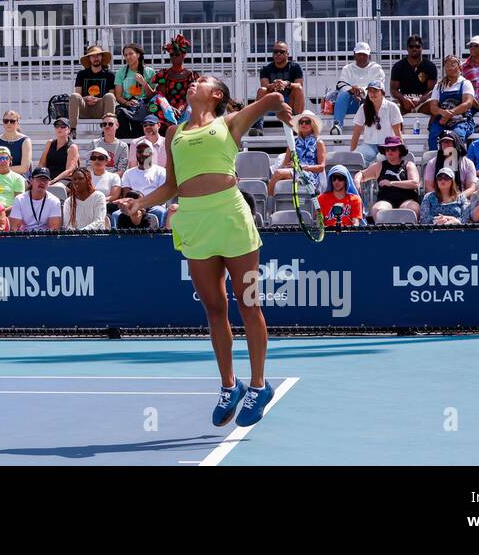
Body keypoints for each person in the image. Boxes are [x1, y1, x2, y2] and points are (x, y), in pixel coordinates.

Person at [116, 75, 290, 425]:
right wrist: (141, 204)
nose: (193, 82)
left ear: (216, 94)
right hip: (195, 222)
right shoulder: (173, 134)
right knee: (214, 307)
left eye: (201, 81)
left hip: (232, 218)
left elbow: (268, 102)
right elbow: (172, 186)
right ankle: (230, 385)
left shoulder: (230, 122)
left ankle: (259, 385)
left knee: (249, 304)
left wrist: (278, 102)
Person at [356, 136, 421, 219]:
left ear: (400, 151)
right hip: (385, 200)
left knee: (409, 210)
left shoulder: (408, 165)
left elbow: (415, 183)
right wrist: (357, 182)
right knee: (378, 210)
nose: (390, 151)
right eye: (387, 149)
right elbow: (361, 174)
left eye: (393, 149)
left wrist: (391, 183)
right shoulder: (379, 166)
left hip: (408, 199)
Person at [268, 112, 326, 196]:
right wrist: (290, 166)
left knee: (278, 174)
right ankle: (275, 203)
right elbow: (285, 164)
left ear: (312, 124)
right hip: (294, 171)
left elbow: (321, 167)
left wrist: (302, 167)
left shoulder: (318, 142)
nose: (303, 124)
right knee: (277, 177)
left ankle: (269, 204)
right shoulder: (293, 143)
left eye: (307, 122)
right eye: (301, 122)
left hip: (309, 174)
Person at [332, 42, 385, 130]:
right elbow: (340, 85)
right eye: (359, 54)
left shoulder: (376, 68)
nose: (361, 57)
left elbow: (379, 86)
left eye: (364, 54)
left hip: (370, 103)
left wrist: (362, 91)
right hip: (353, 103)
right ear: (354, 55)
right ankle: (337, 126)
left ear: (369, 56)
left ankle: (372, 127)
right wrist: (352, 90)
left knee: (374, 94)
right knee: (343, 94)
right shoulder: (347, 68)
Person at [116, 140, 168, 228]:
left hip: (155, 205)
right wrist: (137, 205)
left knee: (160, 212)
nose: (143, 154)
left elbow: (162, 196)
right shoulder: (128, 173)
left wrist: (144, 205)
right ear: (136, 154)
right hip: (132, 205)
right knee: (115, 214)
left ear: (151, 153)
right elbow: (126, 195)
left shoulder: (161, 171)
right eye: (140, 151)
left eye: (146, 151)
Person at [348, 81, 403, 164]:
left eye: (376, 91)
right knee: (357, 157)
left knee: (380, 158)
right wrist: (352, 153)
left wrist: (400, 151)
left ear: (382, 93)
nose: (372, 94)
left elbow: (397, 132)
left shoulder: (392, 107)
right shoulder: (363, 107)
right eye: (370, 91)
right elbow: (356, 132)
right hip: (368, 145)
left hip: (387, 145)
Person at [69, 44, 116, 135]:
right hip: (85, 108)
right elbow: (78, 94)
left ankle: (107, 129)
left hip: (101, 110)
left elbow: (112, 95)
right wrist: (86, 98)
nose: (96, 58)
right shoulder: (81, 74)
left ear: (102, 57)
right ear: (89, 58)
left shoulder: (109, 75)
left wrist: (98, 99)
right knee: (74, 96)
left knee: (110, 96)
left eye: (98, 55)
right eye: (93, 56)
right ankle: (72, 130)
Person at [152, 34, 200, 121]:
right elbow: (161, 95)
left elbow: (192, 95)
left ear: (183, 55)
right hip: (167, 108)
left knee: (192, 109)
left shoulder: (191, 75)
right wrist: (170, 108)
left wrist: (181, 107)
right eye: (171, 55)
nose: (174, 57)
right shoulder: (164, 74)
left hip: (186, 106)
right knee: (155, 105)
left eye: (177, 54)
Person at [390, 35, 437, 118]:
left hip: (423, 102)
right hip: (404, 101)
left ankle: (433, 130)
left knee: (436, 107)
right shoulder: (398, 66)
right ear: (407, 48)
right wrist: (404, 99)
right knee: (391, 109)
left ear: (422, 48)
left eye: (417, 46)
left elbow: (432, 90)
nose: (414, 48)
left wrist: (420, 100)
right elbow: (393, 90)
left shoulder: (430, 66)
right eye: (411, 46)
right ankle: (396, 131)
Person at [257, 42, 306, 119]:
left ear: (287, 54)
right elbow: (264, 85)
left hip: (290, 101)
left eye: (282, 52)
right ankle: (258, 126)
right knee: (262, 90)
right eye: (275, 52)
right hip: (273, 101)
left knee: (299, 89)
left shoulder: (295, 67)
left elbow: (299, 85)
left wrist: (286, 83)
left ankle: (297, 122)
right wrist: (274, 85)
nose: (278, 54)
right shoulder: (265, 69)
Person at [112, 43, 156, 125]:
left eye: (131, 54)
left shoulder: (150, 72)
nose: (128, 57)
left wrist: (144, 83)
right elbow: (118, 96)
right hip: (127, 104)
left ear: (138, 55)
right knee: (121, 114)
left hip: (144, 105)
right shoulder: (120, 73)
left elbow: (152, 95)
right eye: (125, 55)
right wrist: (126, 103)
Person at [34, 116, 79, 184]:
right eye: (56, 126)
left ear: (69, 129)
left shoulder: (72, 147)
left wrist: (53, 181)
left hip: (64, 180)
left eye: (63, 126)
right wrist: (42, 177)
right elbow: (41, 164)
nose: (59, 128)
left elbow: (69, 171)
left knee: (56, 188)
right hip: (47, 178)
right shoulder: (49, 143)